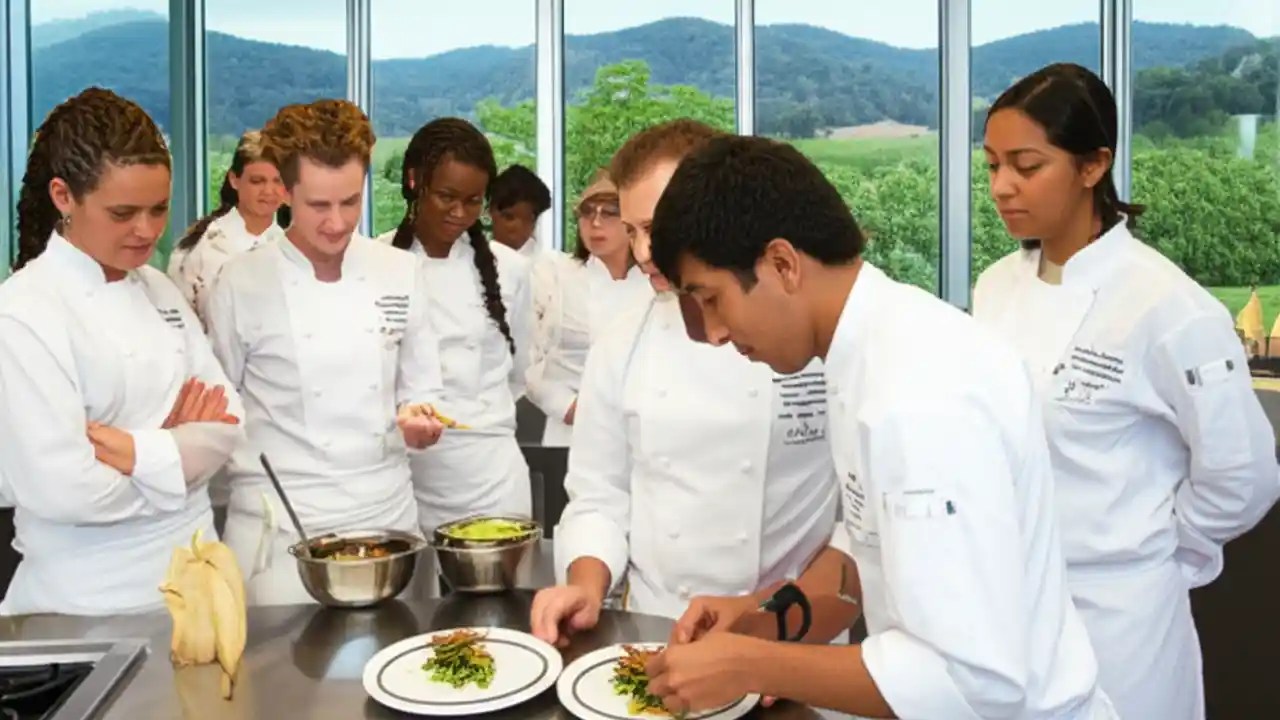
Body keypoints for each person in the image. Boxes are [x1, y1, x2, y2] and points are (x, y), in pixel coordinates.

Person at [644, 134, 1110, 718]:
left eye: (710, 298)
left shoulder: (918, 394)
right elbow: (872, 543)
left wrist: (749, 664)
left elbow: (970, 681)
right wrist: (765, 616)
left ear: (783, 264)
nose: (713, 332)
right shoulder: (870, 349)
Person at [973, 63, 1280, 720]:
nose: (1001, 186)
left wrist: (1160, 550)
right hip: (1010, 607)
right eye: (993, 165)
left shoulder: (1168, 306)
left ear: (1093, 165)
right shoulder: (994, 287)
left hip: (1121, 622)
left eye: (1027, 166)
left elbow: (1245, 474)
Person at [529, 119, 851, 647]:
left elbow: (860, 515)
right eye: (633, 231)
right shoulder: (622, 342)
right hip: (657, 627)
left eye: (656, 226)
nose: (643, 251)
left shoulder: (803, 334)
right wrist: (586, 586)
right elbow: (598, 493)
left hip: (791, 630)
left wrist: (786, 617)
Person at [0, 87, 244, 616]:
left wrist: (135, 452)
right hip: (84, 608)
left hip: (201, 589)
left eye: (159, 209)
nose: (147, 230)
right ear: (63, 196)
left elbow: (228, 422)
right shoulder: (23, 315)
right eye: (123, 212)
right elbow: (64, 491)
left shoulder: (157, 288)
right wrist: (178, 448)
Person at [203, 99, 448, 606]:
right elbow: (220, 410)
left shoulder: (399, 272)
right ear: (286, 191)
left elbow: (422, 386)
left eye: (350, 202)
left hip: (388, 523)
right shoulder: (242, 282)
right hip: (283, 531)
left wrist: (421, 418)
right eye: (318, 205)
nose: (337, 222)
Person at [377, 117, 533, 538]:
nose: (459, 213)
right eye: (446, 196)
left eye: (473, 200)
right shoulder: (376, 264)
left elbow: (519, 373)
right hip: (405, 479)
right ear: (414, 181)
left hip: (493, 477)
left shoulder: (511, 270)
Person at [524, 168, 653, 446]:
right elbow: (524, 359)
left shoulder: (656, 284)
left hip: (642, 430)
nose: (595, 223)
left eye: (609, 213)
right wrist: (567, 406)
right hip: (569, 432)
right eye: (587, 212)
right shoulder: (554, 274)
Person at [167, 130, 286, 324]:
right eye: (257, 181)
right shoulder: (199, 248)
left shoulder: (295, 249)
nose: (269, 191)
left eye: (278, 181)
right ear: (234, 180)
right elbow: (178, 327)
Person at [487, 163, 551, 259]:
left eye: (528, 220)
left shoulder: (550, 264)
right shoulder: (472, 261)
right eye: (509, 218)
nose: (518, 228)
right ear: (491, 211)